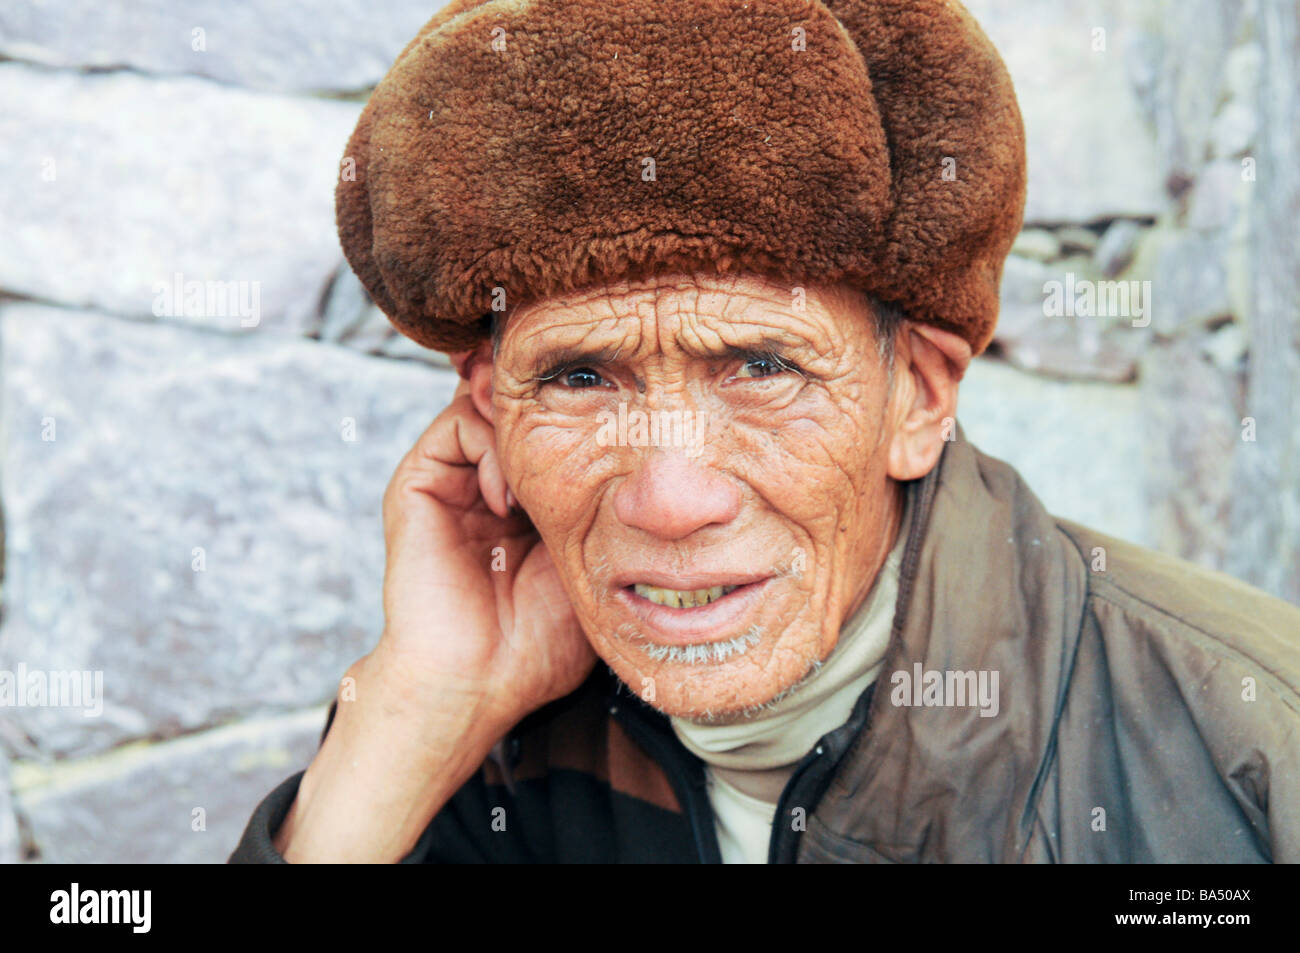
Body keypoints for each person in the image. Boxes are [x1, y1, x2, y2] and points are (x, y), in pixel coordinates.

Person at [230, 0, 1300, 863]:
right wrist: (414, 712)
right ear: (486, 418)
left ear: (920, 394)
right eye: (578, 376)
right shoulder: (474, 757)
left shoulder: (1253, 749)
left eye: (761, 366)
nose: (671, 497)